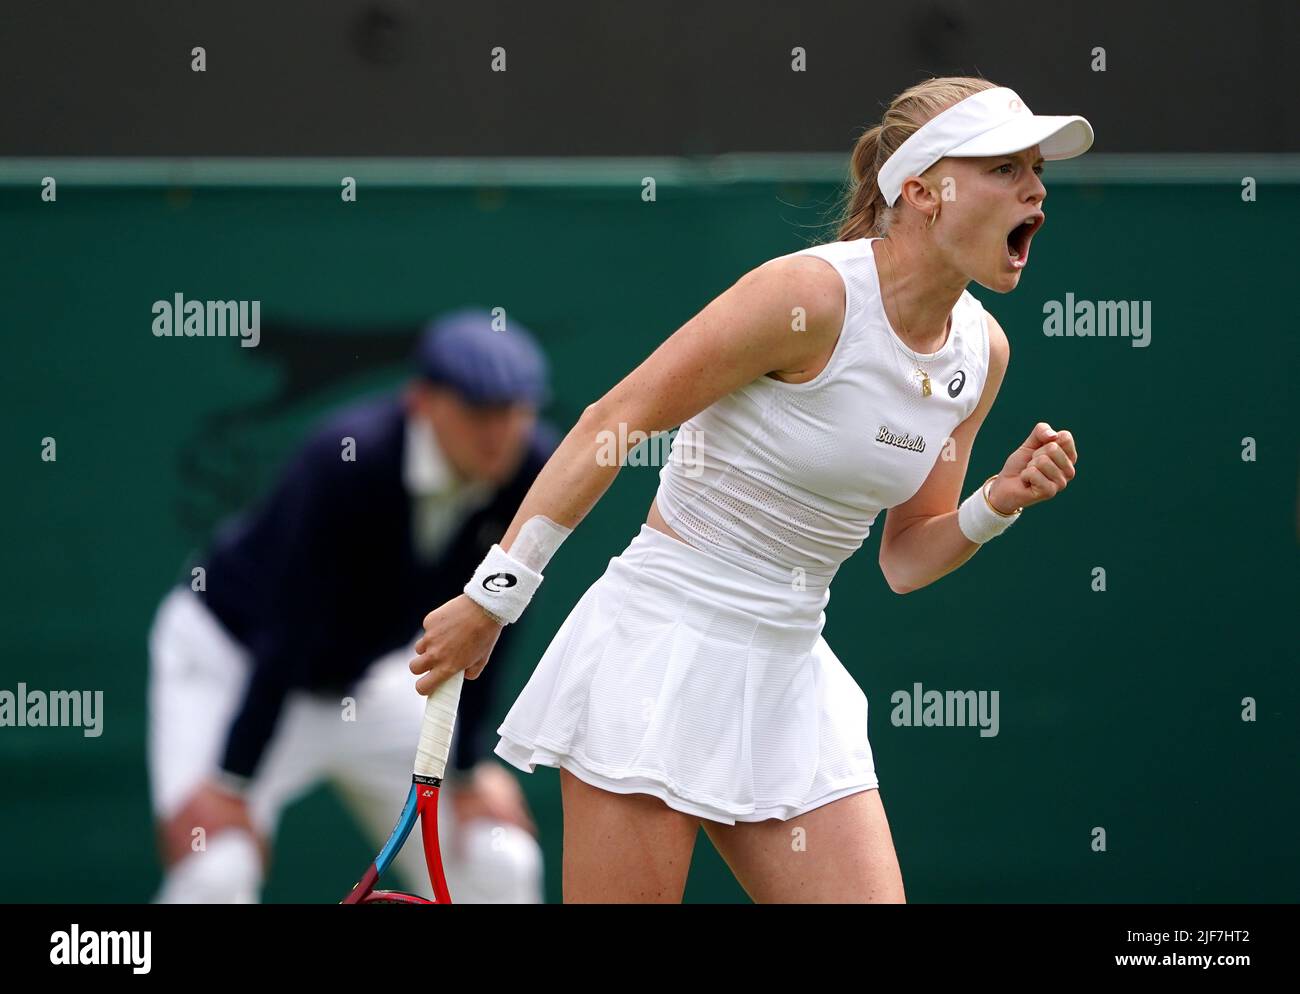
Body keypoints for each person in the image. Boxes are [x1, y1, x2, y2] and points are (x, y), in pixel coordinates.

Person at [409, 77, 1091, 903]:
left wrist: (997, 503)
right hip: (657, 657)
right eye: (1006, 167)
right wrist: (495, 596)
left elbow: (906, 558)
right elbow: (611, 423)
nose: (1036, 188)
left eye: (1037, 171)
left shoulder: (982, 353)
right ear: (922, 190)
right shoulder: (805, 297)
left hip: (791, 678)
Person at [147, 308, 557, 903]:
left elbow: (496, 621)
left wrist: (470, 770)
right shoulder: (345, 461)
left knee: (499, 859)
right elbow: (287, 627)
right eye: (479, 412)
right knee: (215, 869)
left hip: (369, 682)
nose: (500, 433)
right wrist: (231, 781)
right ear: (423, 401)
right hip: (233, 665)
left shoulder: (528, 467)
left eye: (517, 412)